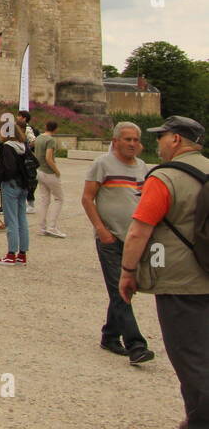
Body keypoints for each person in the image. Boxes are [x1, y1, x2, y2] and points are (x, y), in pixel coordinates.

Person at [120, 115, 209, 429]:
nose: (156, 142)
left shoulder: (165, 177)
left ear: (176, 140)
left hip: (180, 281)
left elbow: (138, 231)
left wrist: (128, 271)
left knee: (191, 359)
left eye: (161, 136)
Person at [79, 121, 154, 366]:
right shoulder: (102, 164)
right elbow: (87, 199)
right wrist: (101, 230)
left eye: (135, 140)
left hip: (132, 239)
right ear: (115, 141)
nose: (132, 143)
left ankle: (110, 335)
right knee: (119, 290)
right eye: (127, 139)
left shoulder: (142, 166)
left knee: (125, 289)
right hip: (109, 237)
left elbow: (141, 200)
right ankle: (136, 345)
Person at [0, 121, 31, 265]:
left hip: (11, 184)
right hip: (23, 185)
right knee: (22, 219)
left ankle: (11, 254)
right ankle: (22, 254)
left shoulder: (7, 147)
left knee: (11, 220)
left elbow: (8, 168)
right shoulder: (23, 146)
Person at [35, 120, 66, 236]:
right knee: (59, 199)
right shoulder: (50, 140)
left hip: (39, 171)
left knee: (44, 200)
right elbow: (49, 158)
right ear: (55, 129)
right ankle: (52, 227)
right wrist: (57, 171)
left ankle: (42, 227)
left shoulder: (38, 138)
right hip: (49, 172)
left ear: (45, 126)